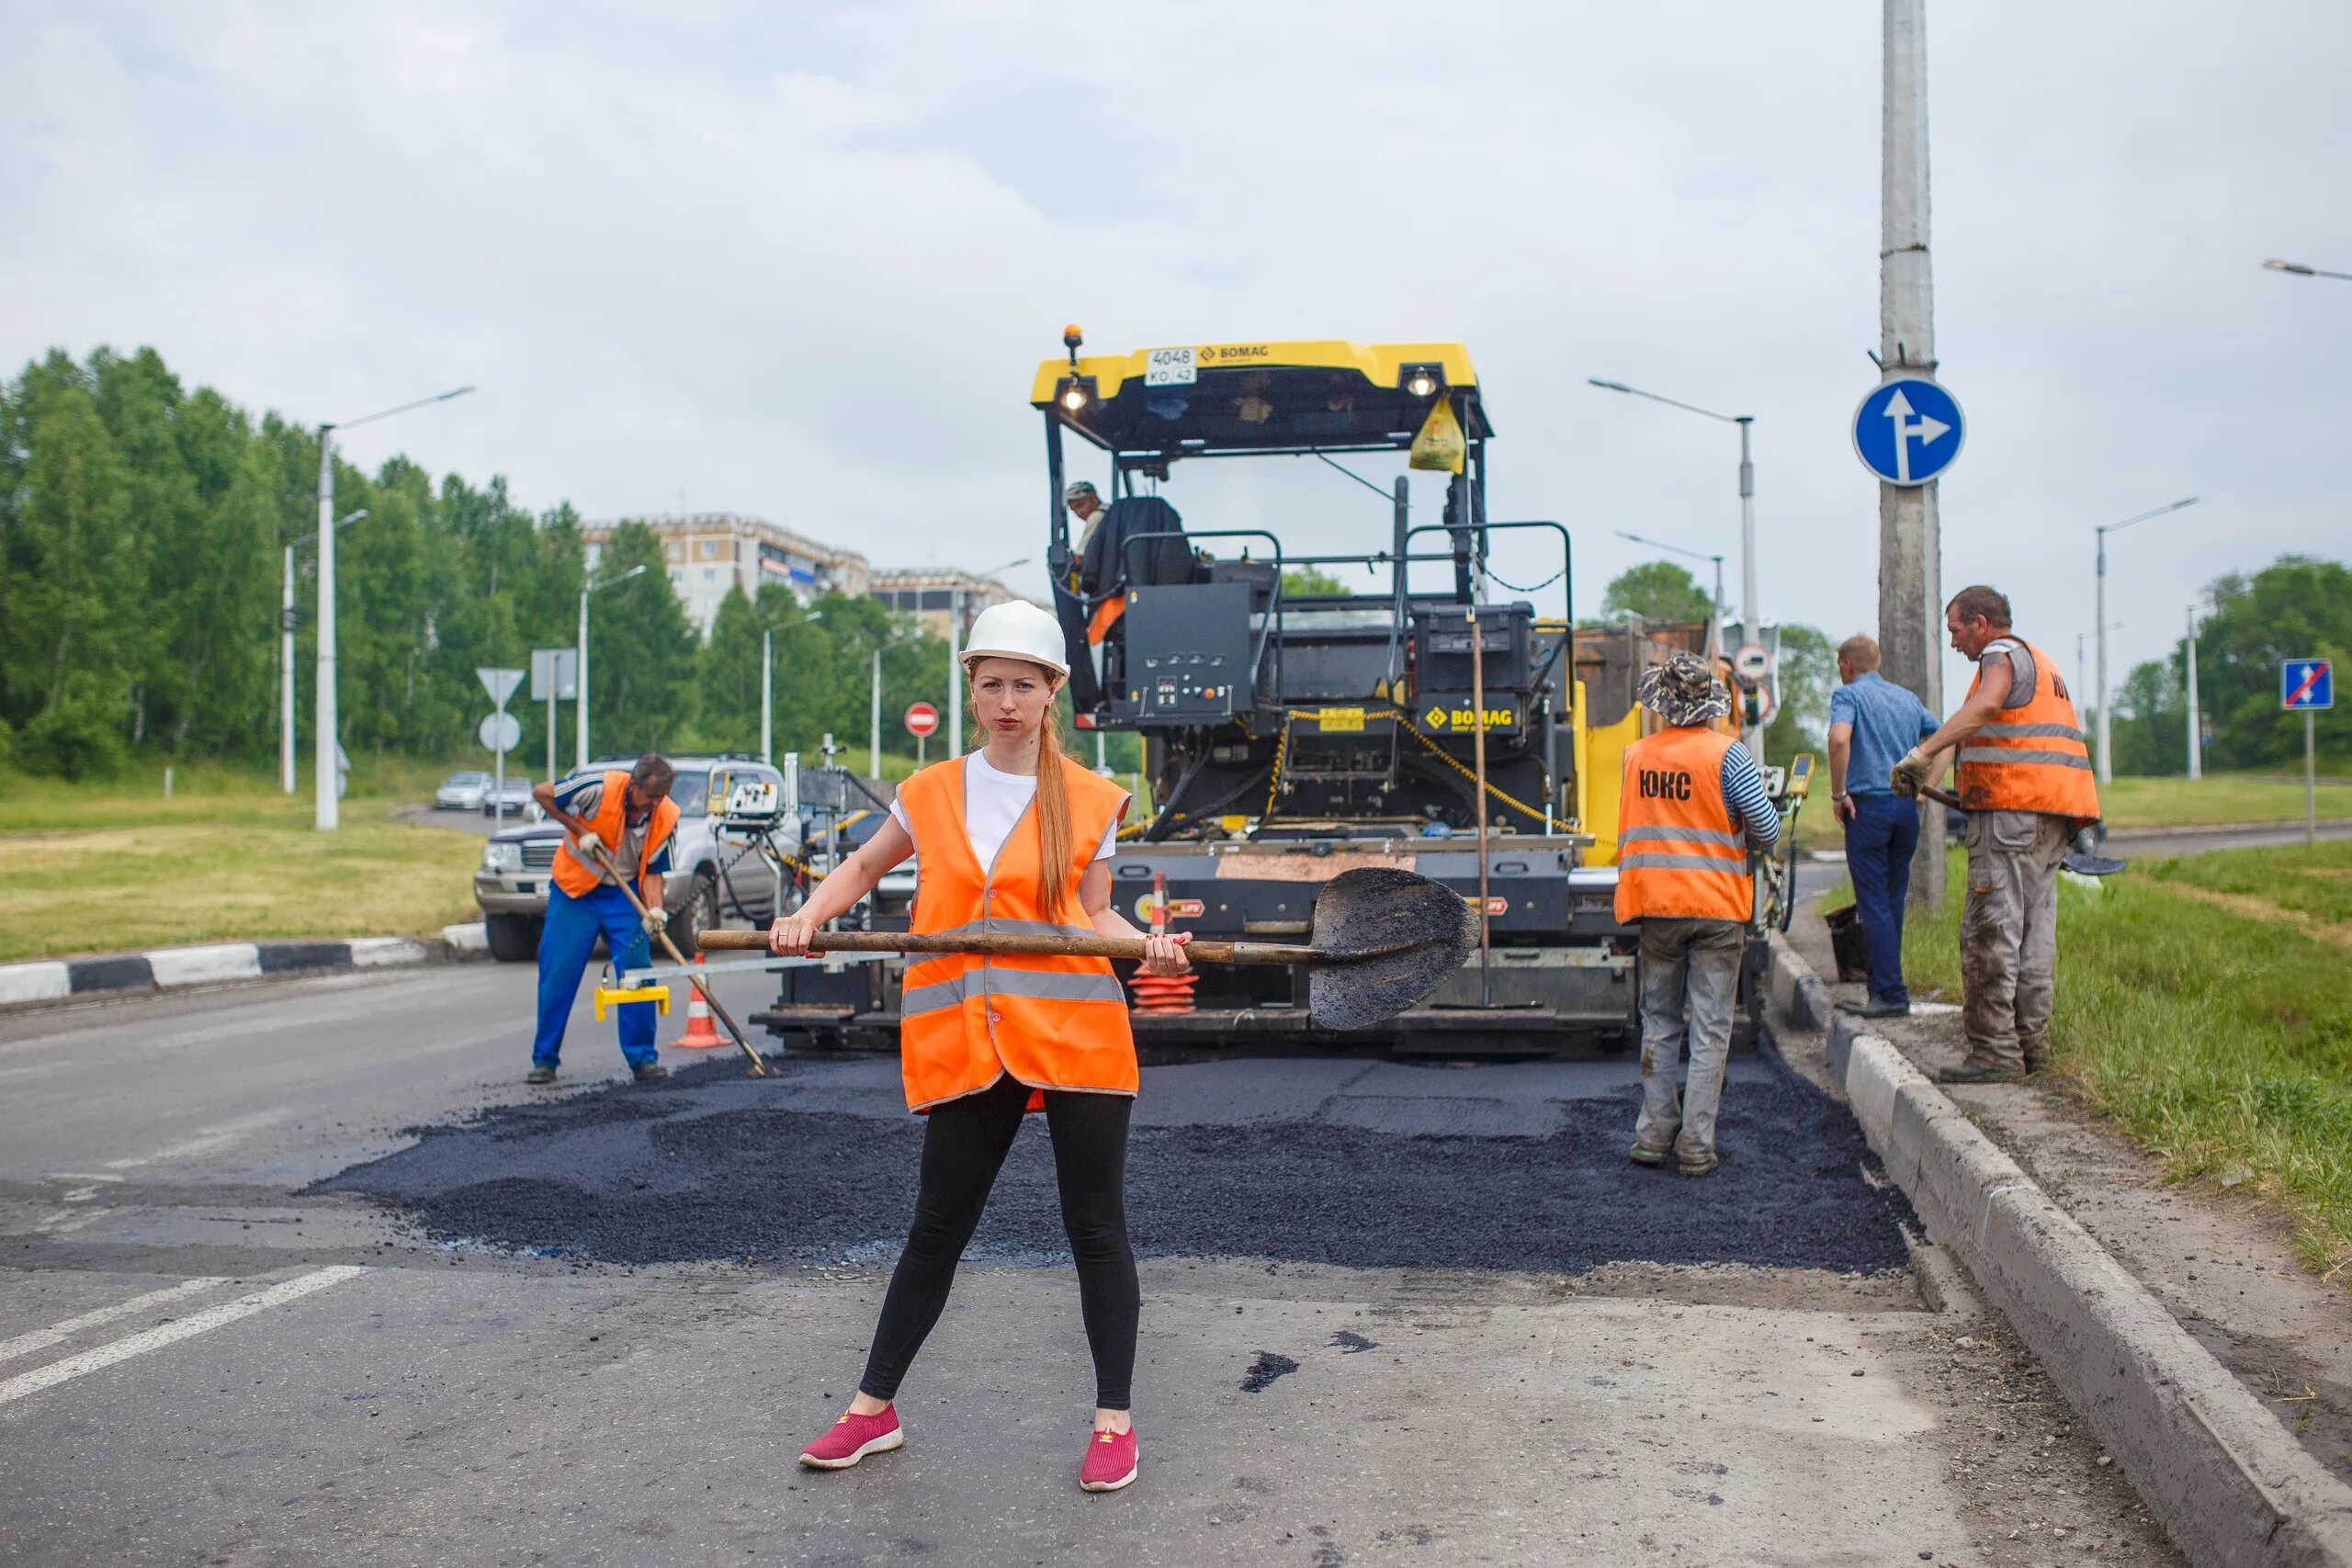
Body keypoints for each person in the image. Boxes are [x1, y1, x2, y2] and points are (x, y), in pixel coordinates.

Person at [769, 599, 1191, 1494]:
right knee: (935, 1230)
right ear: (971, 689)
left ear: (1051, 693)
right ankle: (870, 1410)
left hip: (1075, 1033)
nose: (1007, 701)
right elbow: (862, 868)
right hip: (971, 1039)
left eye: (1024, 686)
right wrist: (810, 913)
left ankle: (1114, 1421)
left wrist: (1145, 942)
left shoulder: (1088, 797)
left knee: (1095, 1227)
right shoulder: (929, 792)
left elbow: (1092, 911)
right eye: (991, 684)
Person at [1891, 585, 2100, 1084]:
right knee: (2032, 936)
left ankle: (1995, 1053)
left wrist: (1918, 755)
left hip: (2010, 816)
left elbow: (1983, 709)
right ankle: (2033, 1048)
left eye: (1956, 630)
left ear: (1982, 624)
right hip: (2051, 817)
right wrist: (1926, 782)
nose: (1954, 642)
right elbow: (1970, 726)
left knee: (1991, 930)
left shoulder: (1999, 656)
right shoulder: (2042, 664)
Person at [1615, 651, 1781, 1178]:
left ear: (1661, 706)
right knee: (1710, 1029)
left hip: (1657, 908)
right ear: (1712, 704)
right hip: (1715, 910)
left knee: (1659, 1023)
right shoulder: (1728, 756)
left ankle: (1652, 1133)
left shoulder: (1635, 756)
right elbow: (1767, 831)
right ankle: (1696, 1145)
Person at [526, 754, 681, 1086]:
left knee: (637, 975)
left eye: (661, 797)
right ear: (633, 785)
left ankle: (643, 1059)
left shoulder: (666, 816)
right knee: (558, 972)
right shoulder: (598, 787)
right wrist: (579, 830)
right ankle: (544, 1059)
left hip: (623, 898)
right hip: (574, 892)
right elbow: (542, 793)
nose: (655, 804)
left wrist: (654, 910)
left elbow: (654, 871)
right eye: (650, 797)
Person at [1826, 633, 1939, 1019]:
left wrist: (1839, 793)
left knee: (1873, 903)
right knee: (1892, 901)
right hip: (1905, 810)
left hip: (1868, 809)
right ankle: (1884, 989)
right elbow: (1942, 738)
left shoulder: (1848, 695)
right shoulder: (1906, 699)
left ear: (1847, 665)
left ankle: (1891, 994)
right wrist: (1927, 786)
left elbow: (1840, 739)